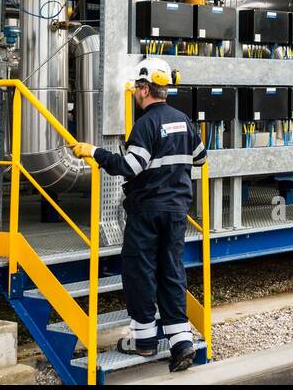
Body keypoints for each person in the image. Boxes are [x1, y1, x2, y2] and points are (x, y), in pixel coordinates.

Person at [70, 58, 205, 372]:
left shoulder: (145, 124)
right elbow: (200, 157)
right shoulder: (183, 119)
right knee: (171, 270)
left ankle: (143, 340)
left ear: (145, 89)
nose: (133, 93)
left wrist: (95, 152)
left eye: (136, 88)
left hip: (146, 210)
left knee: (139, 269)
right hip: (176, 210)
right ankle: (181, 341)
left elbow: (129, 167)